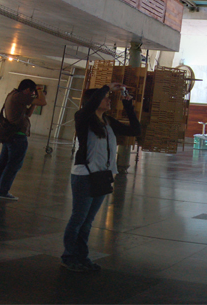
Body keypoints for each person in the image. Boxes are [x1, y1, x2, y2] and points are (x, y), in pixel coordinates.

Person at [61, 83, 140, 272]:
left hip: (102, 176)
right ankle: (69, 256)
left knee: (88, 221)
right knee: (78, 218)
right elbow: (90, 105)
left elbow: (135, 131)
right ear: (93, 101)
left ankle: (82, 257)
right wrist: (107, 87)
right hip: (84, 175)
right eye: (104, 98)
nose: (108, 99)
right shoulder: (83, 118)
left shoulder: (108, 121)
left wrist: (128, 105)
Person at [0, 78, 40, 200]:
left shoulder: (14, 95)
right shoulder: (19, 96)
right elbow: (43, 102)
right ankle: (2, 191)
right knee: (13, 165)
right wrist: (40, 93)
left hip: (10, 135)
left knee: (3, 163)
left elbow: (28, 114)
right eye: (32, 91)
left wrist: (34, 101)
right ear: (27, 89)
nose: (32, 94)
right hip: (17, 136)